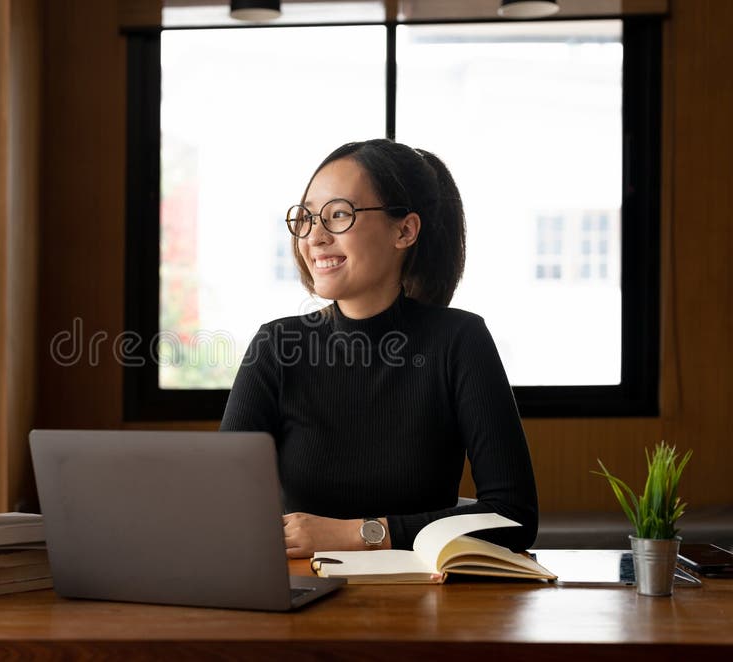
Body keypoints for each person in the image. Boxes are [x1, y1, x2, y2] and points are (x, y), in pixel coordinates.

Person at [220, 139, 538, 558]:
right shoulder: (276, 346)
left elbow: (513, 516)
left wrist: (362, 534)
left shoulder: (460, 339)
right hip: (303, 588)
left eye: (338, 214)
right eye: (307, 218)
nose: (315, 236)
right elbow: (223, 505)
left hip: (424, 592)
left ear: (404, 231)